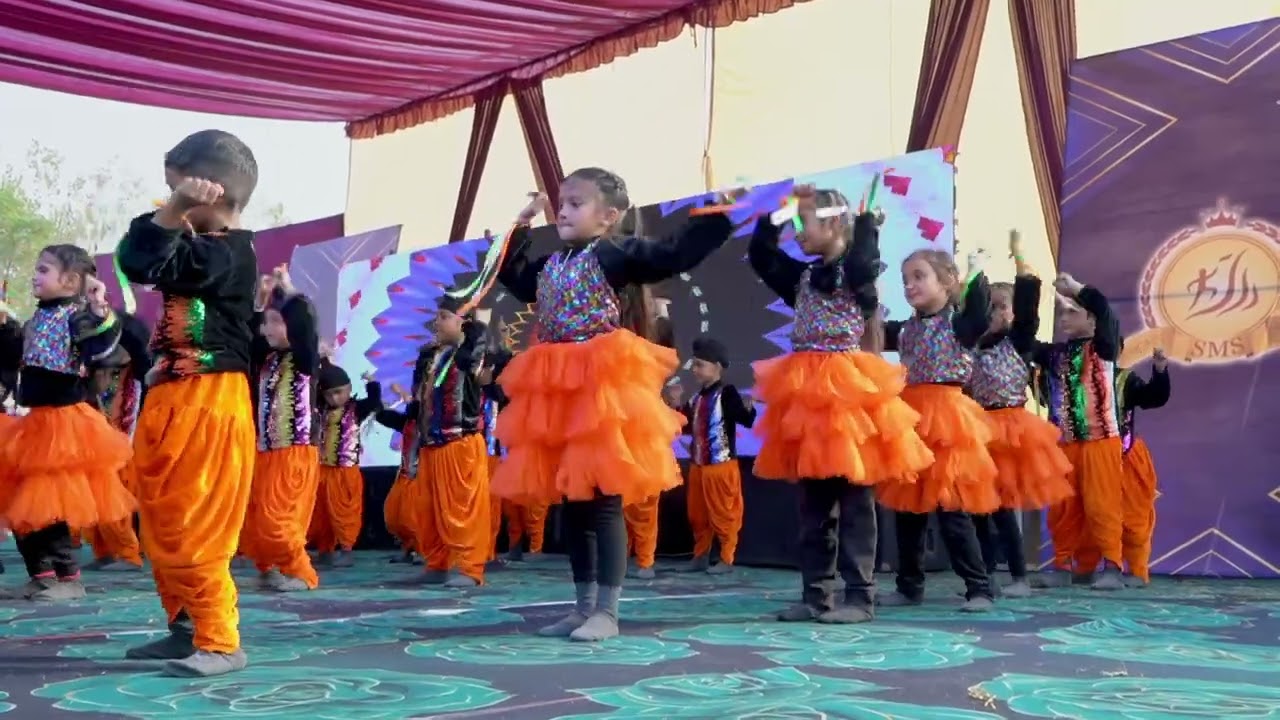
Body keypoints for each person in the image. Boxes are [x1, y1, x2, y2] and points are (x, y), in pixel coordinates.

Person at [493, 169, 733, 642]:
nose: (562, 210)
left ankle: (608, 610)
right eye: (561, 202)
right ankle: (581, 606)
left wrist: (716, 213)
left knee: (602, 501)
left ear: (609, 217)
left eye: (576, 203)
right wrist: (520, 225)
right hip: (556, 388)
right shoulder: (552, 264)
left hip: (599, 385)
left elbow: (672, 255)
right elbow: (515, 279)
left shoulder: (613, 253)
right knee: (574, 503)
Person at [749, 186, 931, 623]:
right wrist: (776, 218)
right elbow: (762, 257)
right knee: (813, 505)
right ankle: (815, 595)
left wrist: (866, 224)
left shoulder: (854, 272)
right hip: (808, 395)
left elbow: (863, 259)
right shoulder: (804, 278)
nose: (798, 233)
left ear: (832, 224)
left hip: (848, 391)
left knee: (854, 502)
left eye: (805, 223)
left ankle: (859, 597)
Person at [116, 129, 260, 677]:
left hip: (210, 403)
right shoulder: (202, 248)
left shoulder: (230, 255)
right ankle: (184, 626)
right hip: (173, 395)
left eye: (175, 191)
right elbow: (141, 259)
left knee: (197, 518)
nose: (166, 203)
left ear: (211, 193)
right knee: (163, 518)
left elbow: (148, 262)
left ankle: (221, 640)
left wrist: (175, 212)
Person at [0, 246, 132, 602]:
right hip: (32, 421)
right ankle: (41, 574)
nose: (35, 275)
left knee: (48, 506)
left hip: (64, 425)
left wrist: (100, 308)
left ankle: (68, 577)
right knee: (20, 501)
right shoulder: (37, 318)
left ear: (70, 280)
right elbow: (15, 356)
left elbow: (104, 348)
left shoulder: (77, 317)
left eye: (43, 270)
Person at [876, 249, 998, 612]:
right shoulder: (907, 328)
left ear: (946, 282)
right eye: (905, 279)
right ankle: (909, 585)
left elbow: (979, 311)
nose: (910, 285)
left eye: (919, 276)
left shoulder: (959, 324)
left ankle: (979, 587)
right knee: (908, 510)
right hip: (910, 418)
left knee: (952, 508)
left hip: (946, 418)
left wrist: (976, 275)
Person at [965, 234, 1074, 597]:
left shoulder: (1020, 341)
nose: (997, 313)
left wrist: (1021, 260)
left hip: (1010, 430)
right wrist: (973, 273)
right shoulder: (973, 345)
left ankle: (1018, 577)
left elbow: (1028, 305)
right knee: (979, 507)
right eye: (990, 307)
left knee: (1004, 508)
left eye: (1002, 306)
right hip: (978, 430)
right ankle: (986, 573)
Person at [1027, 273, 1128, 590]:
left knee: (1101, 505)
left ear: (1093, 320)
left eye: (1073, 311)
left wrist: (1078, 290)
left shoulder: (1104, 348)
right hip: (1066, 443)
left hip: (1101, 441)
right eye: (1062, 312)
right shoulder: (1054, 353)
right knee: (1064, 508)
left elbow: (1105, 310)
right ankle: (1067, 565)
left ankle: (1112, 565)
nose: (1064, 318)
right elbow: (1022, 340)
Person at [240, 268, 321, 592]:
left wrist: (289, 292)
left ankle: (301, 572)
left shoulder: (305, 360)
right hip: (266, 452)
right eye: (267, 322)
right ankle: (272, 567)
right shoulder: (267, 359)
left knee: (281, 519)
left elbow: (305, 327)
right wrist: (260, 302)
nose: (268, 329)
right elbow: (248, 335)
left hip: (294, 452)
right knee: (259, 519)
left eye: (276, 322)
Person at [410, 295, 491, 588]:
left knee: (461, 511)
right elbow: (418, 396)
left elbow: (472, 359)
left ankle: (469, 569)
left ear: (462, 321)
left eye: (445, 316)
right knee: (429, 511)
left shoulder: (470, 351)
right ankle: (437, 564)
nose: (437, 322)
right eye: (438, 316)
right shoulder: (433, 355)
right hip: (431, 445)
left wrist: (476, 329)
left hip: (459, 444)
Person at [670, 336, 757, 575]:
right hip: (699, 466)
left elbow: (745, 420)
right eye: (694, 365)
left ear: (717, 366)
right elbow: (686, 426)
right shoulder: (697, 398)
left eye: (700, 365)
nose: (695, 370)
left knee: (724, 513)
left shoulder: (727, 393)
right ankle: (700, 555)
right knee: (697, 514)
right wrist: (677, 405)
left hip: (721, 465)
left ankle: (726, 558)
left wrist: (750, 407)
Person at [84, 309, 154, 572]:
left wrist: (112, 318)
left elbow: (138, 345)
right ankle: (110, 550)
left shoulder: (139, 373)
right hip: (102, 448)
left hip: (133, 450)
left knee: (127, 493)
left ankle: (129, 551)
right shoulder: (97, 374)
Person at [309, 364, 382, 567]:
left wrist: (371, 383)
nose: (334, 399)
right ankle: (325, 550)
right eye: (329, 394)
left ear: (349, 389)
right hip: (323, 470)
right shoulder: (321, 409)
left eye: (338, 393)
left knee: (345, 512)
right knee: (322, 512)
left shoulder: (356, 409)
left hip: (346, 471)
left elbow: (375, 402)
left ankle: (346, 549)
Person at [1113, 349, 1171, 586]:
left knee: (1134, 518)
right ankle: (1086, 569)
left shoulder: (1124, 379)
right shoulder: (1073, 377)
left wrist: (1159, 371)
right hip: (1084, 457)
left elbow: (1153, 397)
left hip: (1125, 457)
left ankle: (1136, 571)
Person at [374, 383, 420, 563]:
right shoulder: (408, 422)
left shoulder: (433, 423)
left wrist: (402, 393)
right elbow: (382, 416)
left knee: (413, 517)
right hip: (405, 474)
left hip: (422, 477)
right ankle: (408, 548)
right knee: (394, 515)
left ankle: (424, 550)